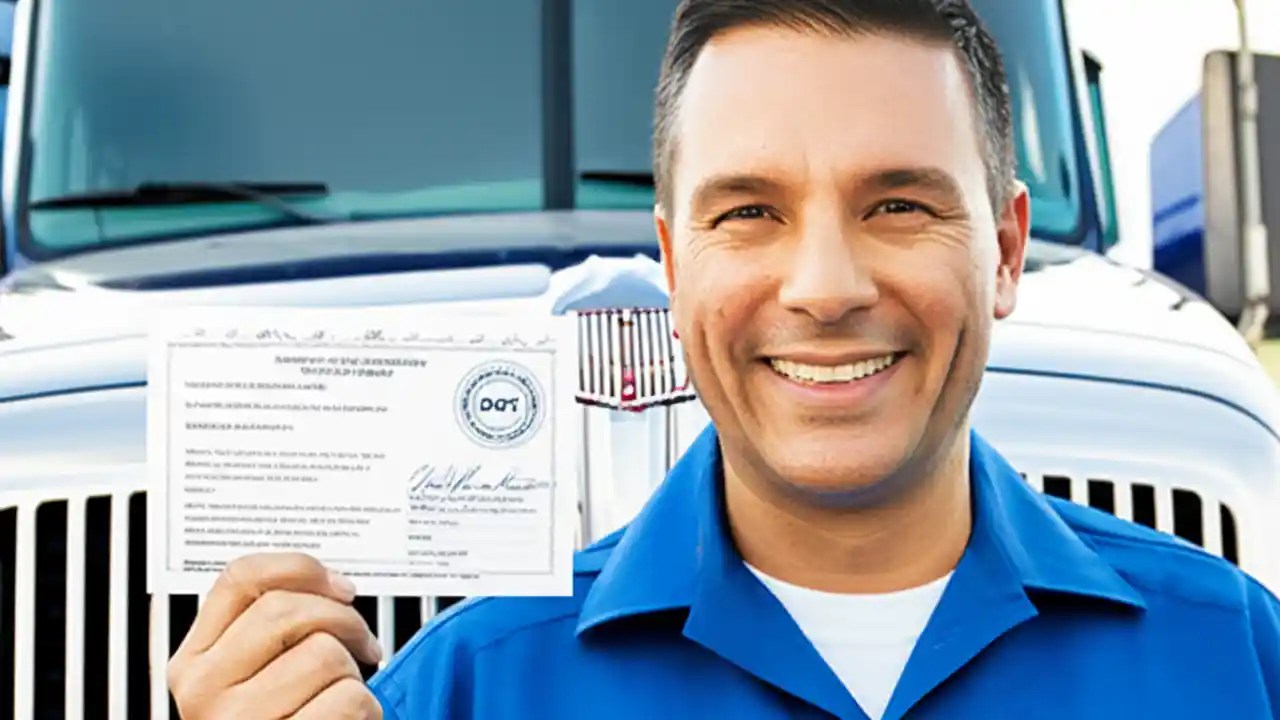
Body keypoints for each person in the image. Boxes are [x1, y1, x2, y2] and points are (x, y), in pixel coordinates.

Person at [166, 1, 1280, 718]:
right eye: (748, 211)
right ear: (671, 260)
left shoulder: (1237, 654)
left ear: (1000, 250)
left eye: (897, 203)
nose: (826, 286)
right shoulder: (460, 691)